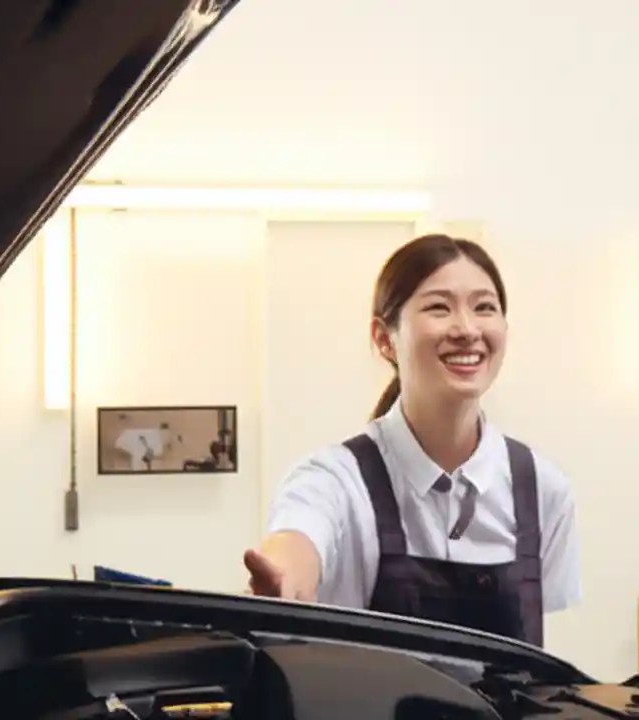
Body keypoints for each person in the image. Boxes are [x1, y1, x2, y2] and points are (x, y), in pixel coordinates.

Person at [242, 234, 581, 647]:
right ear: (385, 338)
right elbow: (297, 540)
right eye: (439, 307)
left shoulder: (544, 489)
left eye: (484, 307)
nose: (467, 329)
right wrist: (286, 576)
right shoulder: (335, 479)